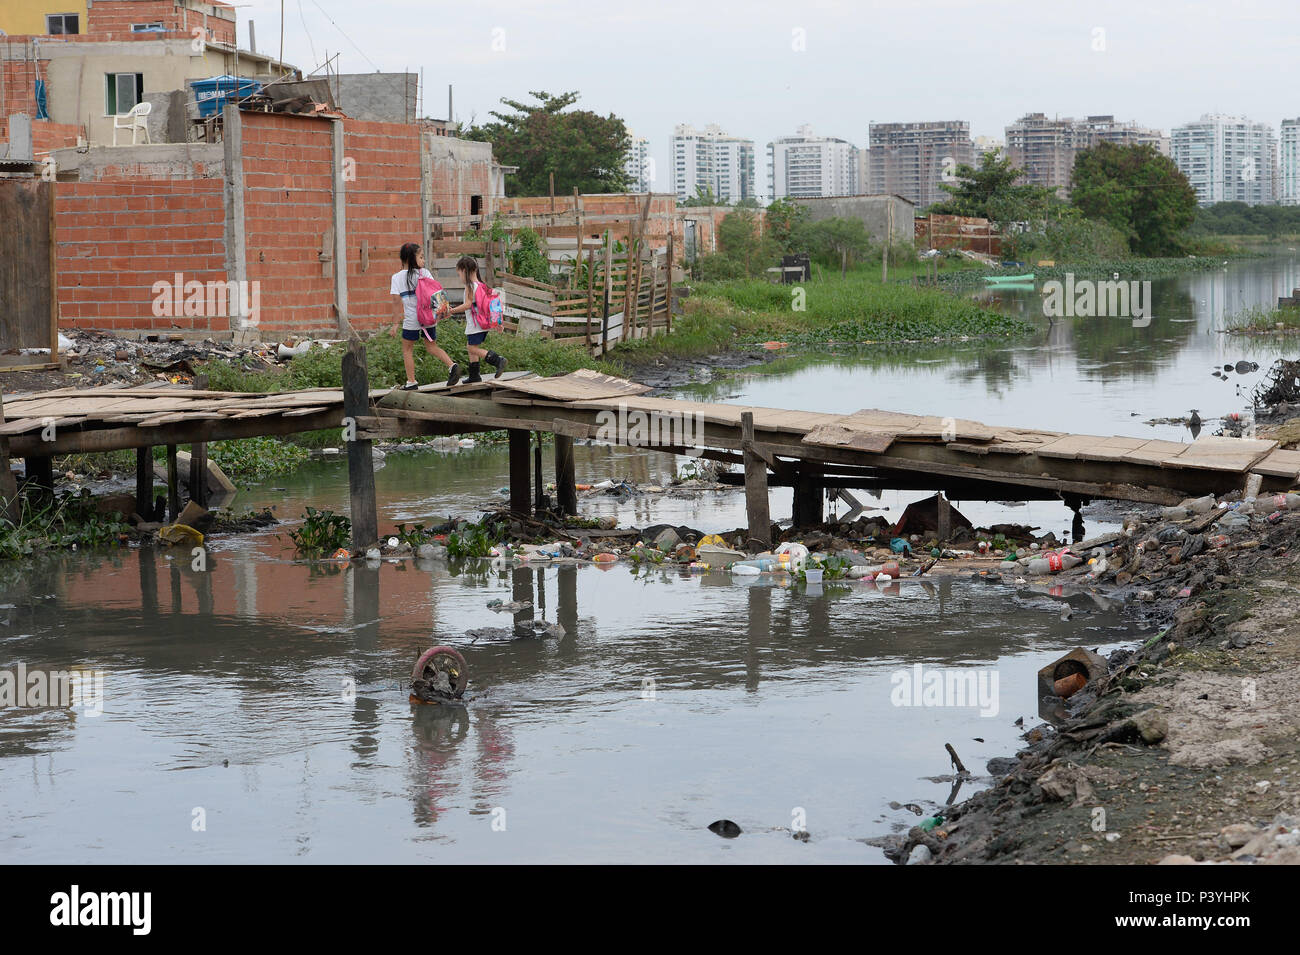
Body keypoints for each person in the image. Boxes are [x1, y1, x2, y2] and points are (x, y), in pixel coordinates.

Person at [390, 242, 460, 389]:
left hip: (412, 320)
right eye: (421, 257)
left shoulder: (396, 278)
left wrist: (395, 323)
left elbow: (396, 302)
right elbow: (436, 293)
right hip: (428, 318)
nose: (424, 260)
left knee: (407, 349)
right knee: (432, 346)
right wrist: (443, 310)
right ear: (410, 259)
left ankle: (411, 382)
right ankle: (452, 365)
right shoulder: (425, 273)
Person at [443, 255, 507, 384]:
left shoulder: (470, 286)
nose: (459, 277)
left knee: (472, 348)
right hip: (484, 323)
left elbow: (467, 305)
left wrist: (451, 310)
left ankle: (497, 360)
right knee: (471, 346)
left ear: (464, 271)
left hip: (476, 324)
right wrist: (498, 323)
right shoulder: (481, 285)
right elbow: (492, 304)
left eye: (459, 274)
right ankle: (474, 375)